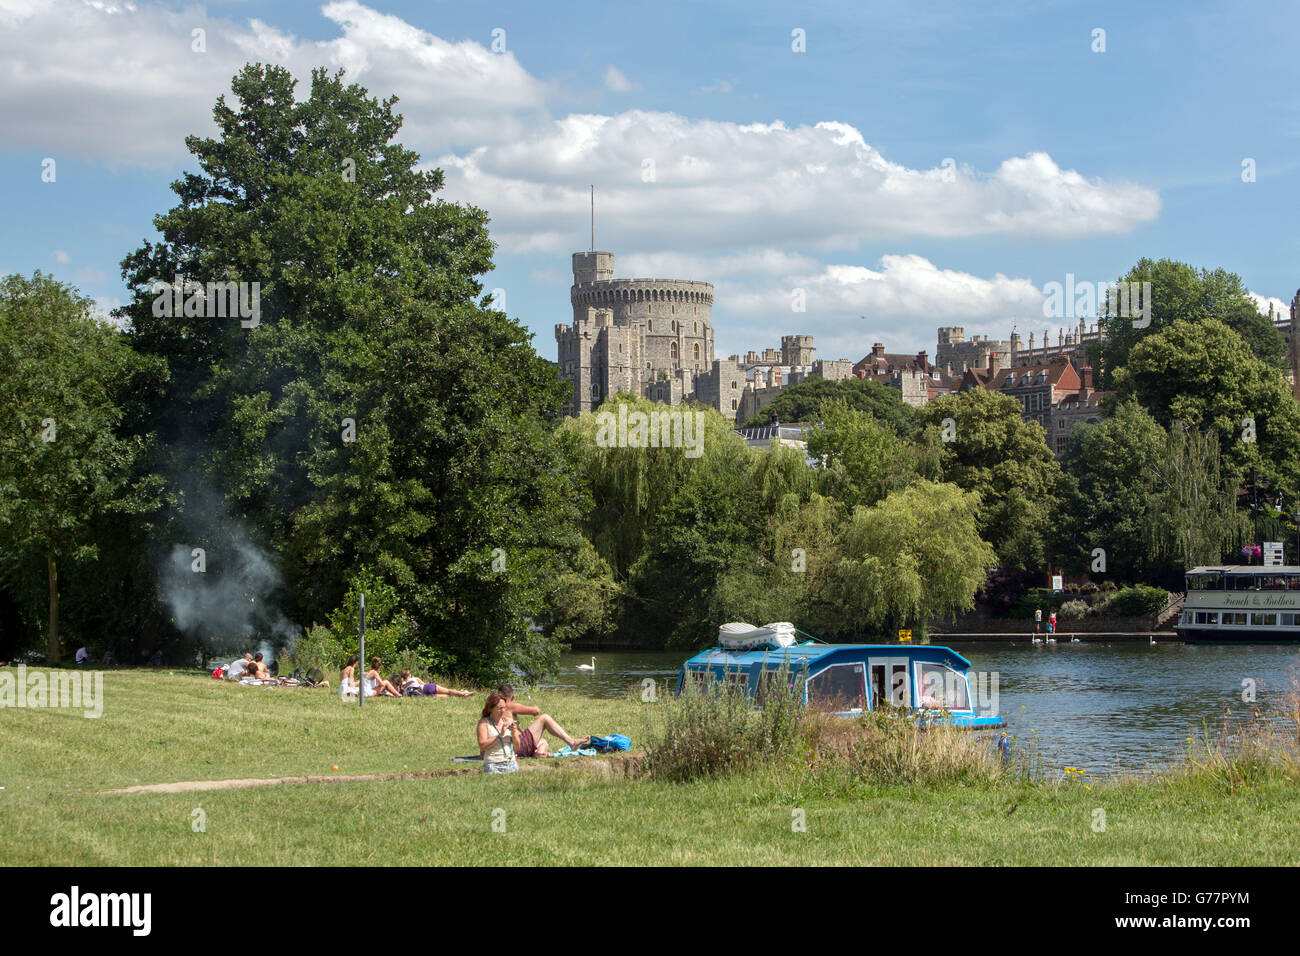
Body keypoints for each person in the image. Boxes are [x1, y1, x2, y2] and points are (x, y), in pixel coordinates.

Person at [498, 683, 588, 758]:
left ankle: (537, 755)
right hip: (518, 746)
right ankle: (572, 742)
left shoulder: (494, 709)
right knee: (544, 718)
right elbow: (535, 711)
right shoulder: (508, 705)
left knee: (543, 741)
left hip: (508, 747)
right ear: (512, 697)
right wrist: (535, 706)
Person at [477, 692, 519, 773]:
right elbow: (482, 746)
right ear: (490, 708)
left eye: (504, 707)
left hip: (511, 763)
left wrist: (514, 733)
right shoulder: (484, 723)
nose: (503, 711)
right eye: (499, 708)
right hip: (493, 765)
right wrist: (500, 736)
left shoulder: (508, 721)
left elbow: (517, 747)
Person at [398, 670, 472, 698]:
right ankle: (463, 694)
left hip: (422, 695)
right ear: (409, 675)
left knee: (446, 696)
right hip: (426, 688)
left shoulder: (402, 686)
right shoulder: (414, 678)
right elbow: (424, 684)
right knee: (448, 691)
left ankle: (459, 696)